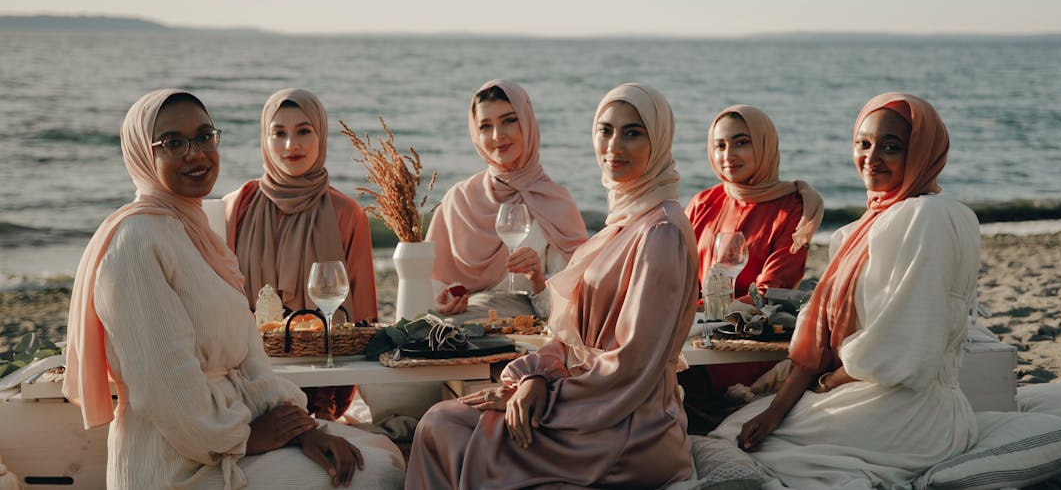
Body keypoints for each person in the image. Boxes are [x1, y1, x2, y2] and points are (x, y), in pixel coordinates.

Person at [64, 89, 403, 489]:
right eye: (174, 142)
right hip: (180, 462)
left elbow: (250, 359)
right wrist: (245, 437)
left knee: (385, 454)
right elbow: (166, 389)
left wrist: (299, 428)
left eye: (205, 136)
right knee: (374, 475)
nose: (196, 153)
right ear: (142, 154)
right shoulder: (137, 242)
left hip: (232, 432)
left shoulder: (196, 235)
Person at [405, 83, 699, 489]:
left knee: (447, 427)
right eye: (605, 130)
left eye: (633, 132)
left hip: (625, 424)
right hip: (591, 397)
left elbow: (633, 366)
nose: (614, 145)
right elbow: (575, 331)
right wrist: (535, 376)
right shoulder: (627, 221)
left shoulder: (661, 232)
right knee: (443, 422)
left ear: (660, 139)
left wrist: (547, 396)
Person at [709, 92, 980, 489]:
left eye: (892, 147)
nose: (872, 157)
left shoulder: (929, 217)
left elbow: (902, 349)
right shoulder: (859, 230)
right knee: (736, 431)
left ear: (923, 152)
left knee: (751, 453)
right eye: (864, 143)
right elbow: (820, 341)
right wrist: (779, 409)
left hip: (908, 408)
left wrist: (825, 387)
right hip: (859, 387)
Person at [224, 88, 378, 420]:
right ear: (264, 140)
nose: (291, 145)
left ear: (321, 135)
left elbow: (363, 316)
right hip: (248, 372)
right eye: (278, 133)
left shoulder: (346, 213)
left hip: (321, 380)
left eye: (304, 131)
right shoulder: (238, 206)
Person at [680, 105, 825, 429]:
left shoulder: (791, 210)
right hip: (693, 333)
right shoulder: (705, 202)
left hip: (746, 343)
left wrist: (694, 312)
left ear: (764, 145)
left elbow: (769, 294)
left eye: (741, 142)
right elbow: (677, 273)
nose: (728, 154)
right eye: (720, 145)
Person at [425, 79, 588, 323]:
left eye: (509, 121)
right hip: (459, 336)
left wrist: (536, 280)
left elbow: (570, 310)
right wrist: (445, 300)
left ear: (527, 124)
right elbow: (432, 292)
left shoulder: (555, 204)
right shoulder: (458, 200)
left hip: (526, 342)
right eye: (485, 126)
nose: (497, 135)